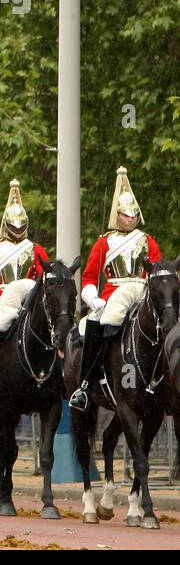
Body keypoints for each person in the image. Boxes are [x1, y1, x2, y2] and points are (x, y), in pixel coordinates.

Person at [70, 167, 161, 412]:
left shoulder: (148, 241)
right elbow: (89, 277)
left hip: (144, 295)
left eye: (134, 215)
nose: (131, 219)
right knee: (94, 325)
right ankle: (86, 385)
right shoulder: (103, 242)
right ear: (117, 215)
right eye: (126, 215)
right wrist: (95, 299)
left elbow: (157, 273)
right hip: (112, 298)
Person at [0, 180, 50, 411]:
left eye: (21, 225)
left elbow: (44, 281)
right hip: (0, 306)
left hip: (29, 305)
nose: (17, 229)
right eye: (14, 225)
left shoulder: (36, 250)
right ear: (6, 225)